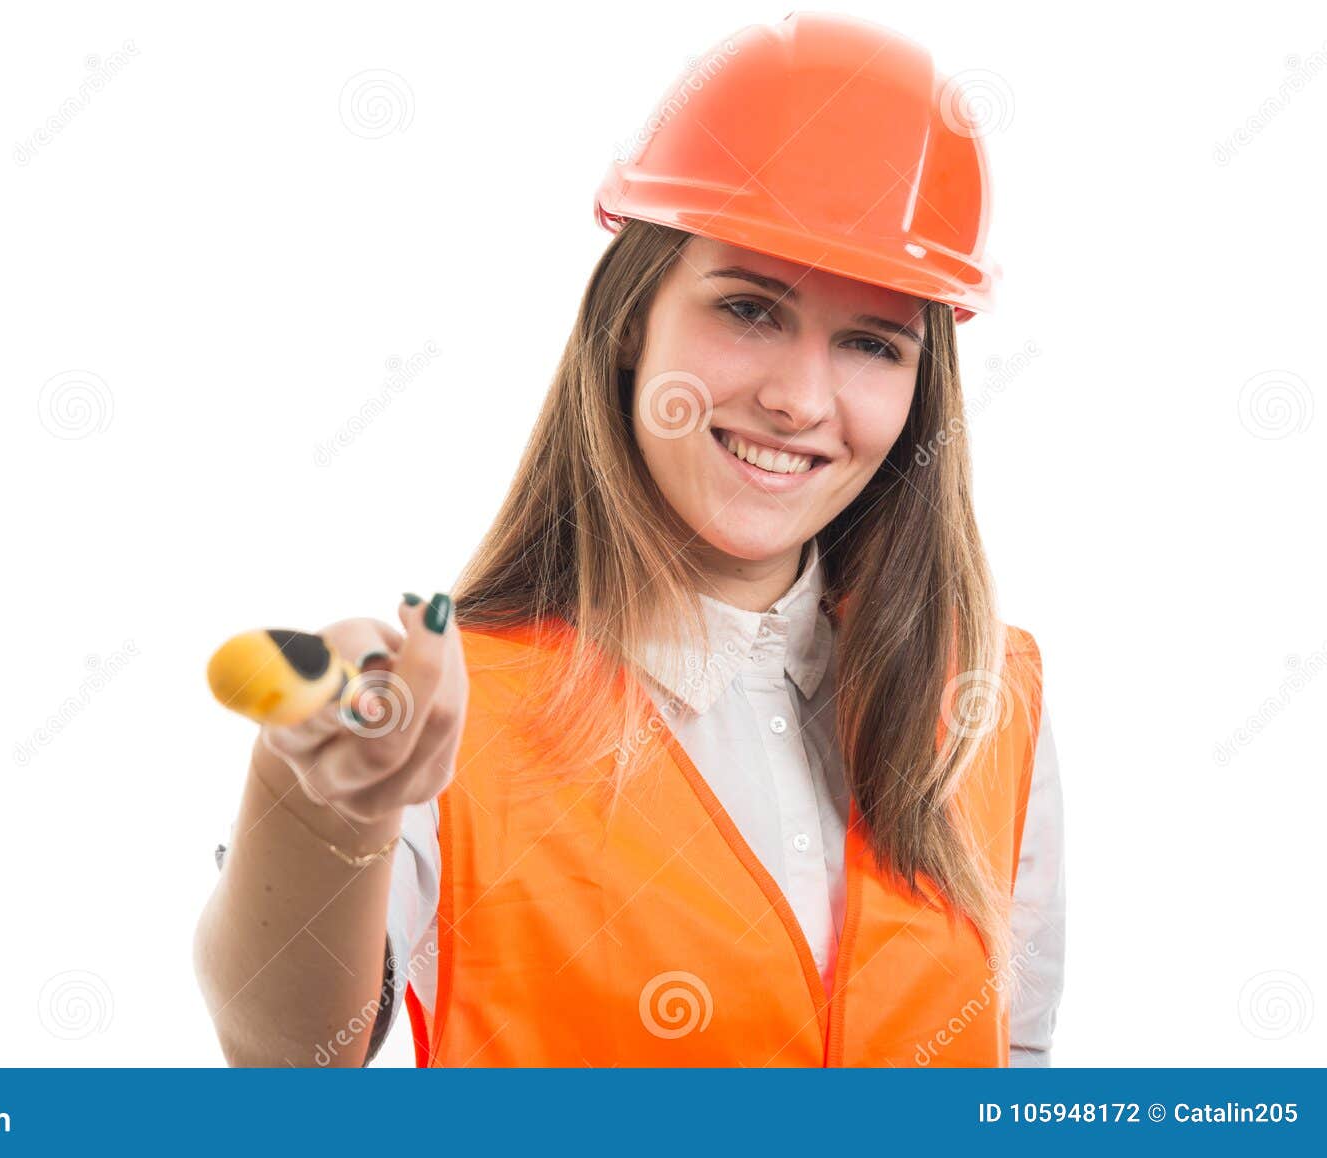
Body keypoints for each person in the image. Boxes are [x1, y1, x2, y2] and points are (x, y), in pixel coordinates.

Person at [193, 10, 1064, 1068]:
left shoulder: (987, 704)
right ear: (628, 324)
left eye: (873, 344)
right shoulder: (456, 711)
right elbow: (286, 1058)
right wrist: (322, 801)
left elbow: (1015, 1075)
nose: (799, 400)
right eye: (749, 310)